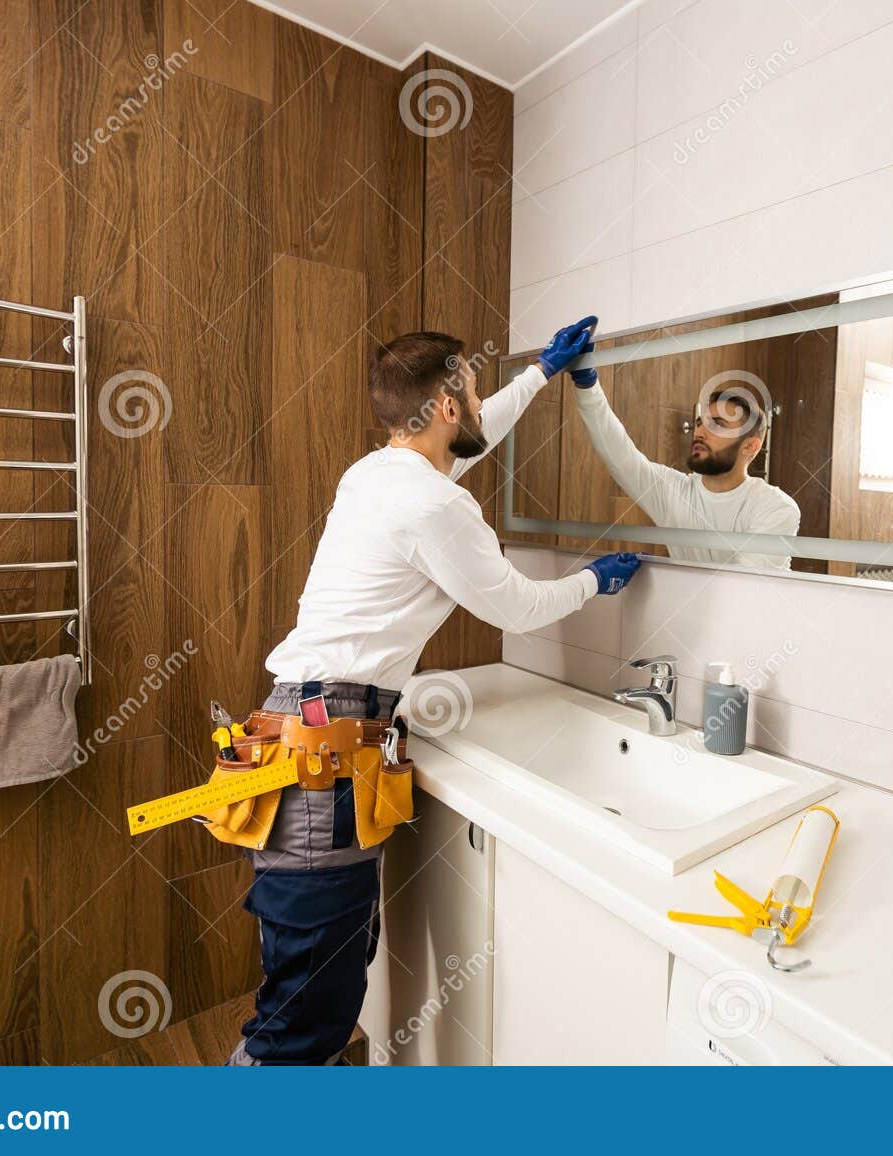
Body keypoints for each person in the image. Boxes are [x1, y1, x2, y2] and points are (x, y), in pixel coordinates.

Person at [228, 316, 641, 1065]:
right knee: (305, 1013)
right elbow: (516, 607)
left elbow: (468, 450)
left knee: (306, 982)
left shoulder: (377, 474)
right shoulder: (434, 505)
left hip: (302, 729)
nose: (481, 407)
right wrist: (592, 582)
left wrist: (542, 373)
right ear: (447, 410)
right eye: (472, 396)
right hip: (325, 753)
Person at [569, 361, 800, 570]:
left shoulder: (776, 508)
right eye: (700, 423)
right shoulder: (675, 492)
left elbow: (741, 588)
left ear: (750, 446)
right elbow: (617, 452)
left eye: (717, 425)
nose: (699, 432)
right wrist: (587, 383)